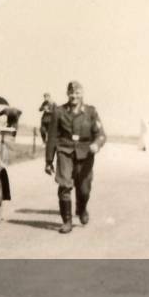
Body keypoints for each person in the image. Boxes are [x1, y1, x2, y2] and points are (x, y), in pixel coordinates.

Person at [45, 81, 106, 233]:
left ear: (82, 94)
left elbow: (101, 134)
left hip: (85, 153)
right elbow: (52, 136)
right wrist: (48, 161)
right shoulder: (58, 111)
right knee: (64, 185)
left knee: (84, 188)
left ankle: (82, 208)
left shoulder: (91, 112)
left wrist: (96, 145)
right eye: (71, 93)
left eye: (77, 93)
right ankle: (67, 221)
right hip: (64, 151)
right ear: (67, 94)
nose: (74, 96)